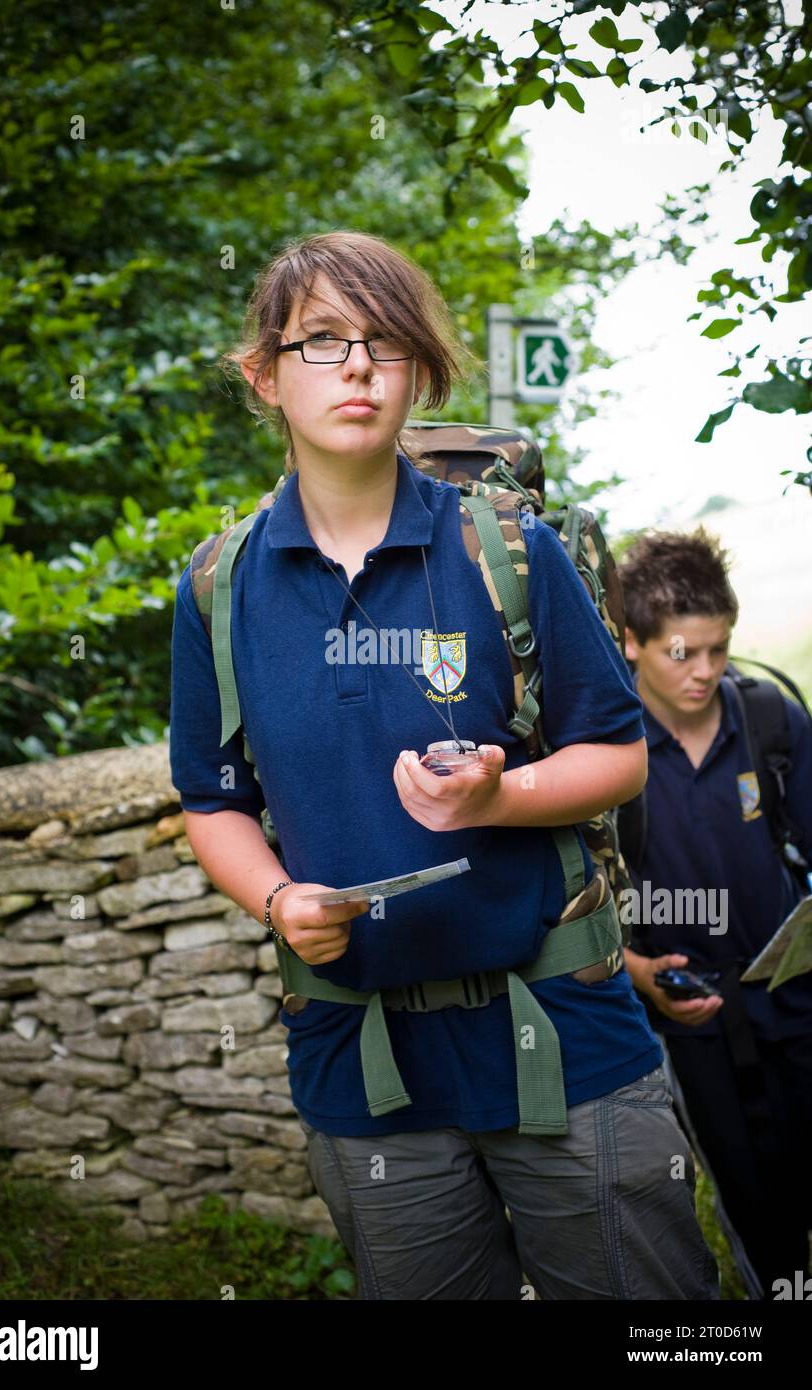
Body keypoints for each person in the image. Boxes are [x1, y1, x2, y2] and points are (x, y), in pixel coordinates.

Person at [168, 229, 719, 1301]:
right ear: (264, 375)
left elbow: (617, 756)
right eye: (321, 341)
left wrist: (499, 797)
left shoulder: (506, 550)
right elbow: (212, 800)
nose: (358, 367)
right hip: (360, 1060)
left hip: (564, 1030)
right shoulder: (218, 588)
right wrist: (278, 901)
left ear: (418, 370)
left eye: (385, 341)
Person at [617, 527, 812, 1299]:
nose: (704, 671)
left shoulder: (770, 722)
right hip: (692, 1025)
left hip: (796, 1000)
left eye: (717, 649)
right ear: (631, 643)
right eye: (680, 653)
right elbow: (565, 900)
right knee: (752, 1205)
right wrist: (635, 971)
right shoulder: (601, 752)